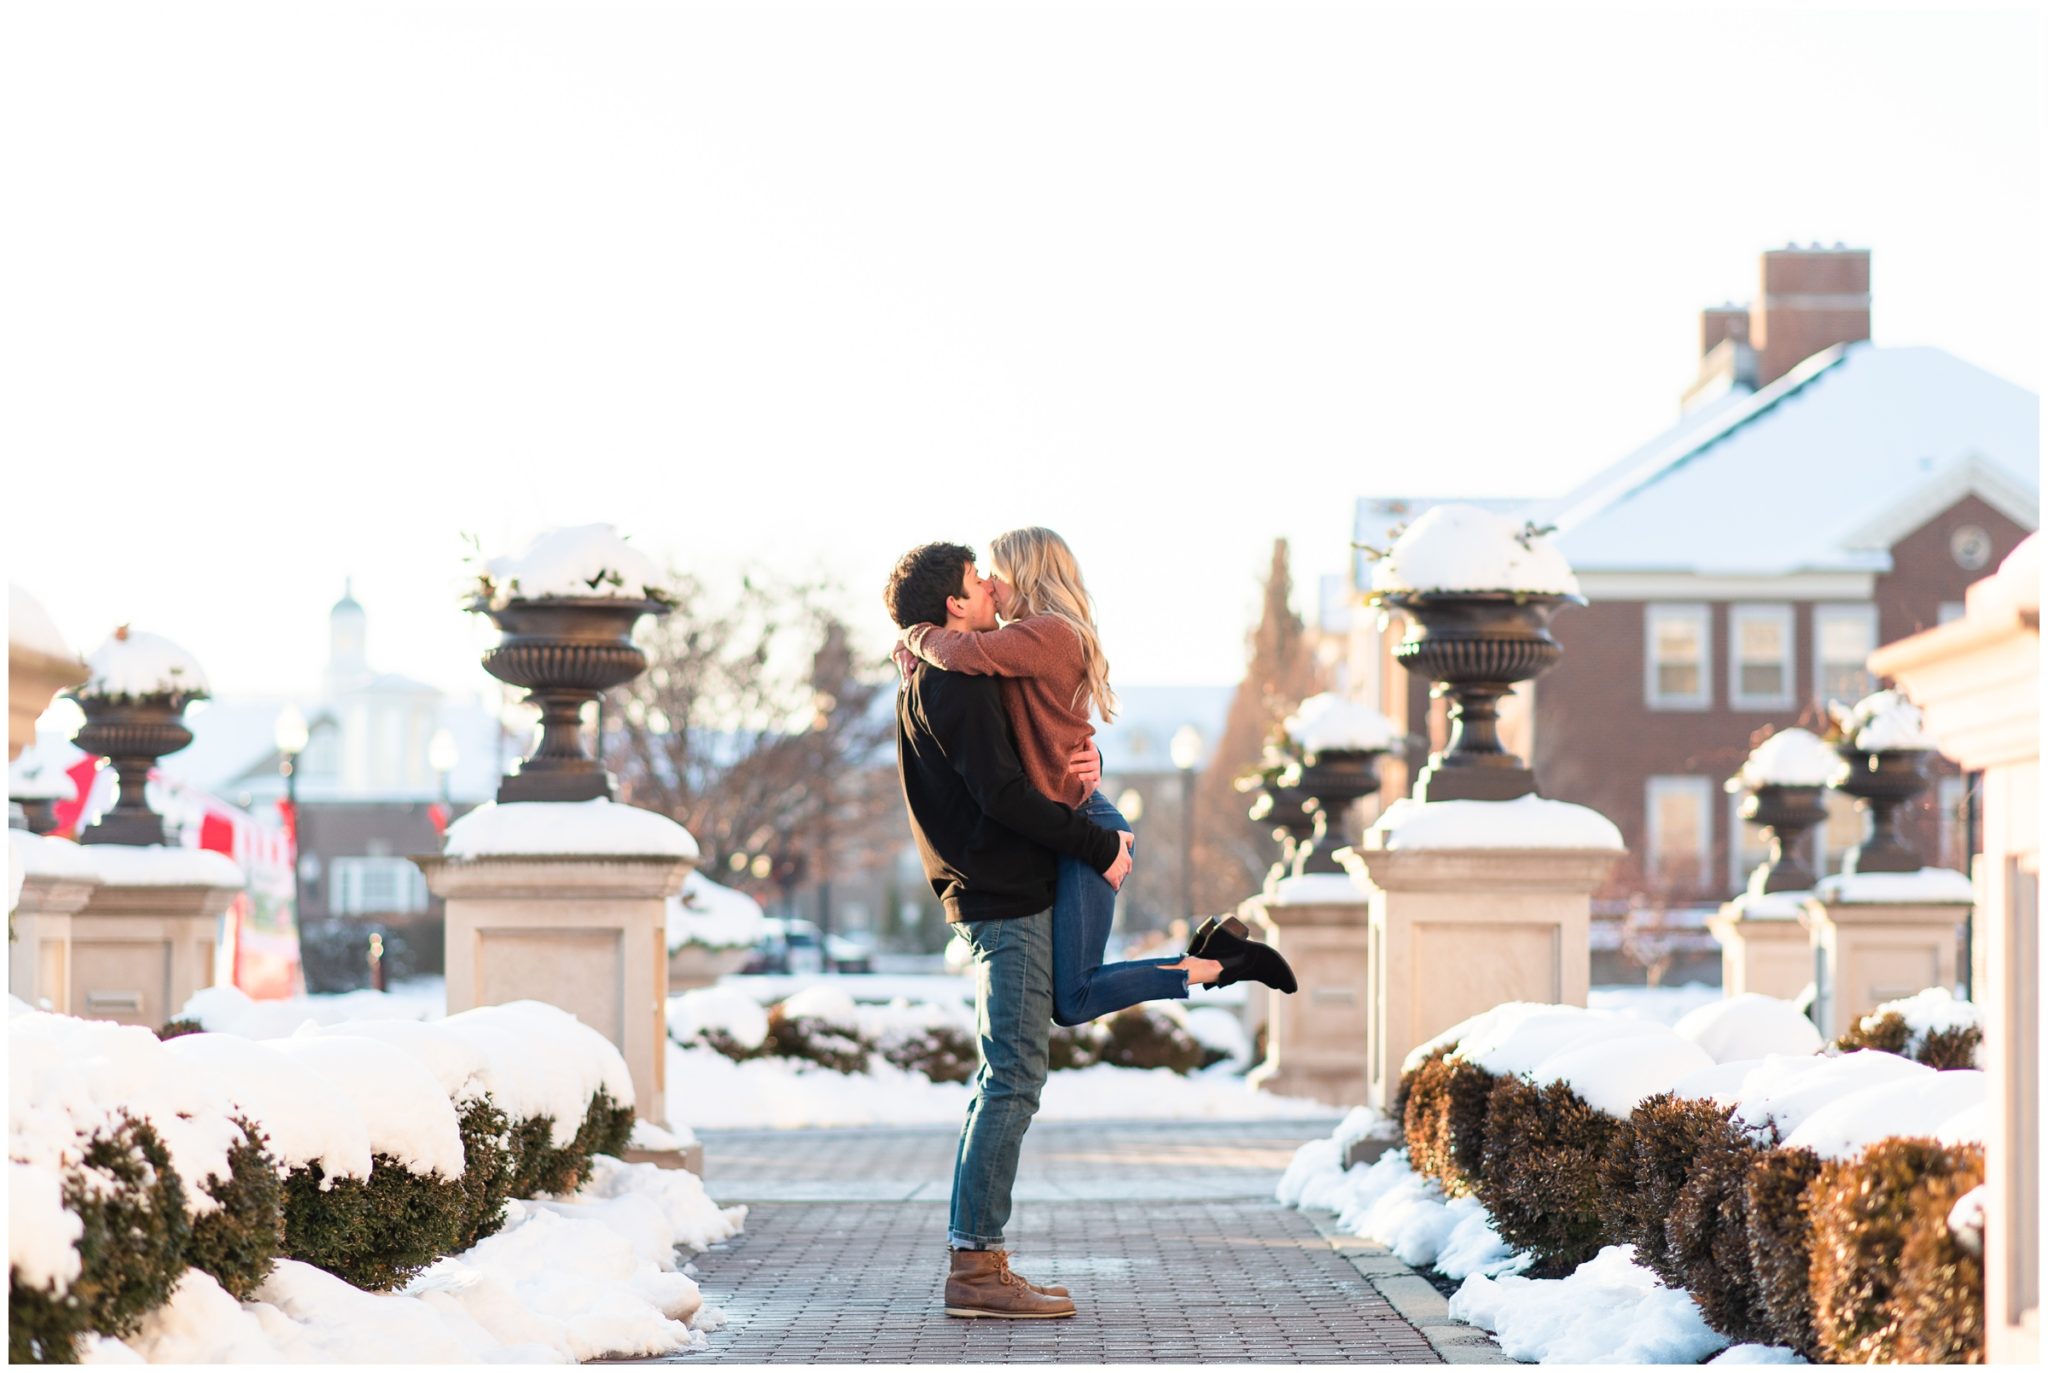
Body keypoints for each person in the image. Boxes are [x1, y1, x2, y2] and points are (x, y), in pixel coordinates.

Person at [897, 525, 1297, 1020]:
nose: (990, 587)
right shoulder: (1016, 640)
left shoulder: (1050, 634)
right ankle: (1214, 963)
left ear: (1024, 576)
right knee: (1069, 997)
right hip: (1072, 819)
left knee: (1074, 996)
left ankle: (1218, 964)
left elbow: (961, 653)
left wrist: (916, 635)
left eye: (993, 575)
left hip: (1091, 825)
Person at [884, 540, 1132, 1321]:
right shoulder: (954, 681)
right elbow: (1000, 796)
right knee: (1014, 1080)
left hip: (990, 894)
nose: (991, 585)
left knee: (1002, 1079)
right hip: (1006, 898)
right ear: (956, 605)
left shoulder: (939, 670)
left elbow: (1016, 771)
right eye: (976, 580)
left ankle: (977, 1256)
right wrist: (1099, 844)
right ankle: (977, 1267)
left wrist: (1075, 761)